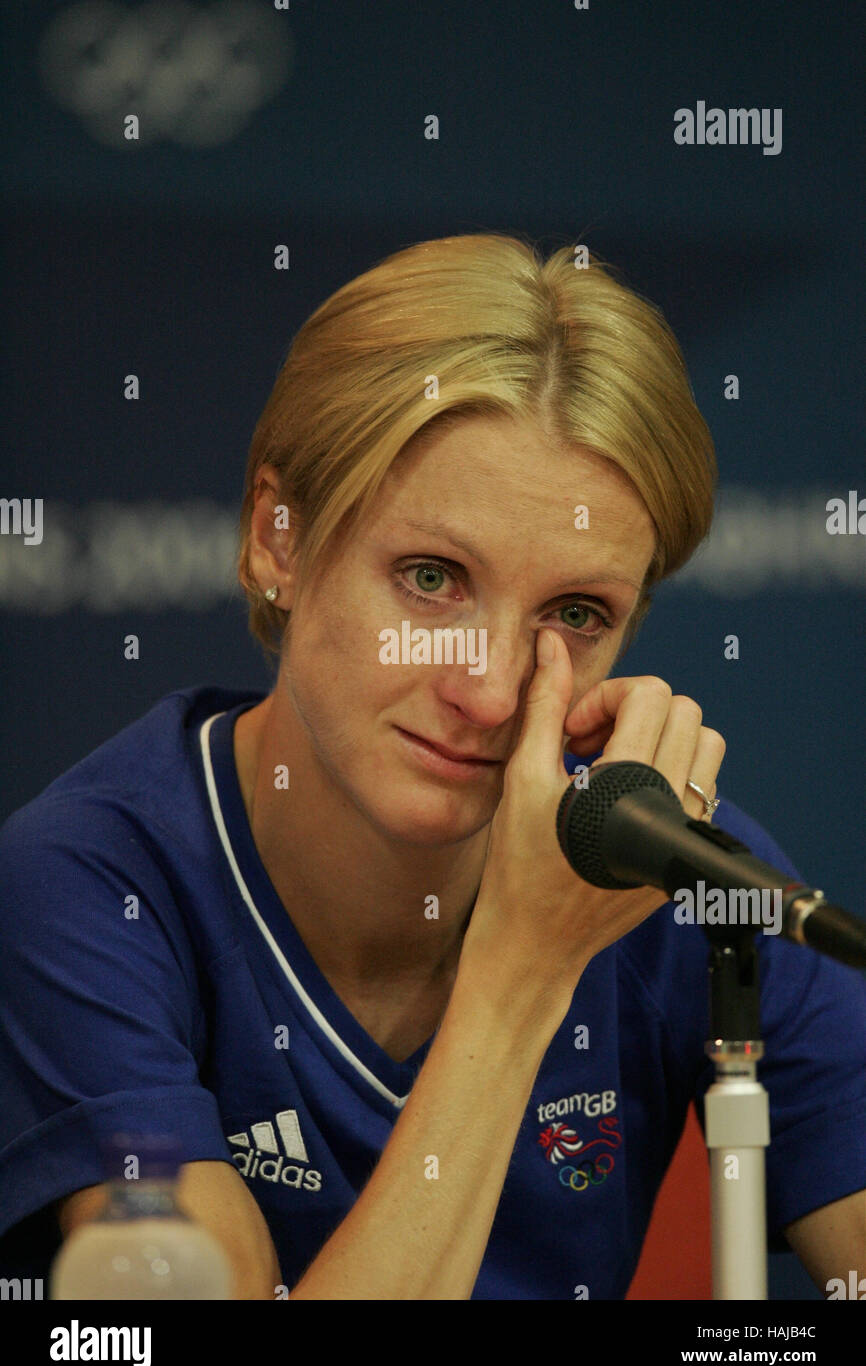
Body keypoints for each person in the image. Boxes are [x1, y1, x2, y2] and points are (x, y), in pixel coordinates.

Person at [0, 233, 863, 1300]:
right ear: (278, 536)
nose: (491, 691)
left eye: (575, 613)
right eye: (430, 577)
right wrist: (520, 979)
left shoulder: (662, 878)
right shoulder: (86, 886)